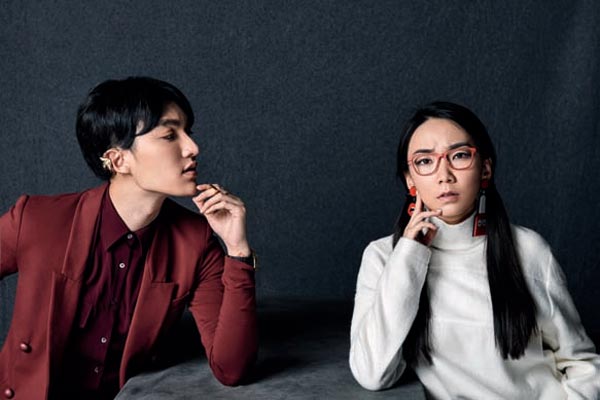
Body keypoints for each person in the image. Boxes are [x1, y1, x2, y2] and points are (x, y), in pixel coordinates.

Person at [0, 77, 258, 399]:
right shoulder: (37, 220)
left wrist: (237, 250)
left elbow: (232, 368)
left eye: (188, 132)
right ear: (118, 160)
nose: (193, 148)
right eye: (169, 135)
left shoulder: (195, 241)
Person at [349, 101, 600, 399]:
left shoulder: (528, 250)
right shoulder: (383, 257)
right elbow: (372, 374)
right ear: (410, 180)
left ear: (485, 169)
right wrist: (409, 255)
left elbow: (582, 363)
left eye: (459, 156)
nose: (444, 174)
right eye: (425, 161)